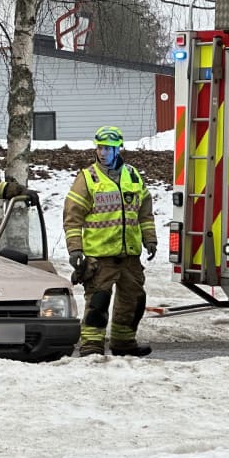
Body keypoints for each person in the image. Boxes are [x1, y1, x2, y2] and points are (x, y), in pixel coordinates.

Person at [63, 126, 156, 357]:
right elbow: (72, 217)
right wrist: (75, 249)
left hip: (130, 257)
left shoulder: (133, 176)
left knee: (133, 301)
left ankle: (124, 344)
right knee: (98, 303)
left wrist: (150, 239)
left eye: (108, 148)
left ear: (118, 149)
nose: (103, 153)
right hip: (100, 257)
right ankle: (92, 348)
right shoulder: (87, 179)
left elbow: (144, 212)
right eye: (100, 147)